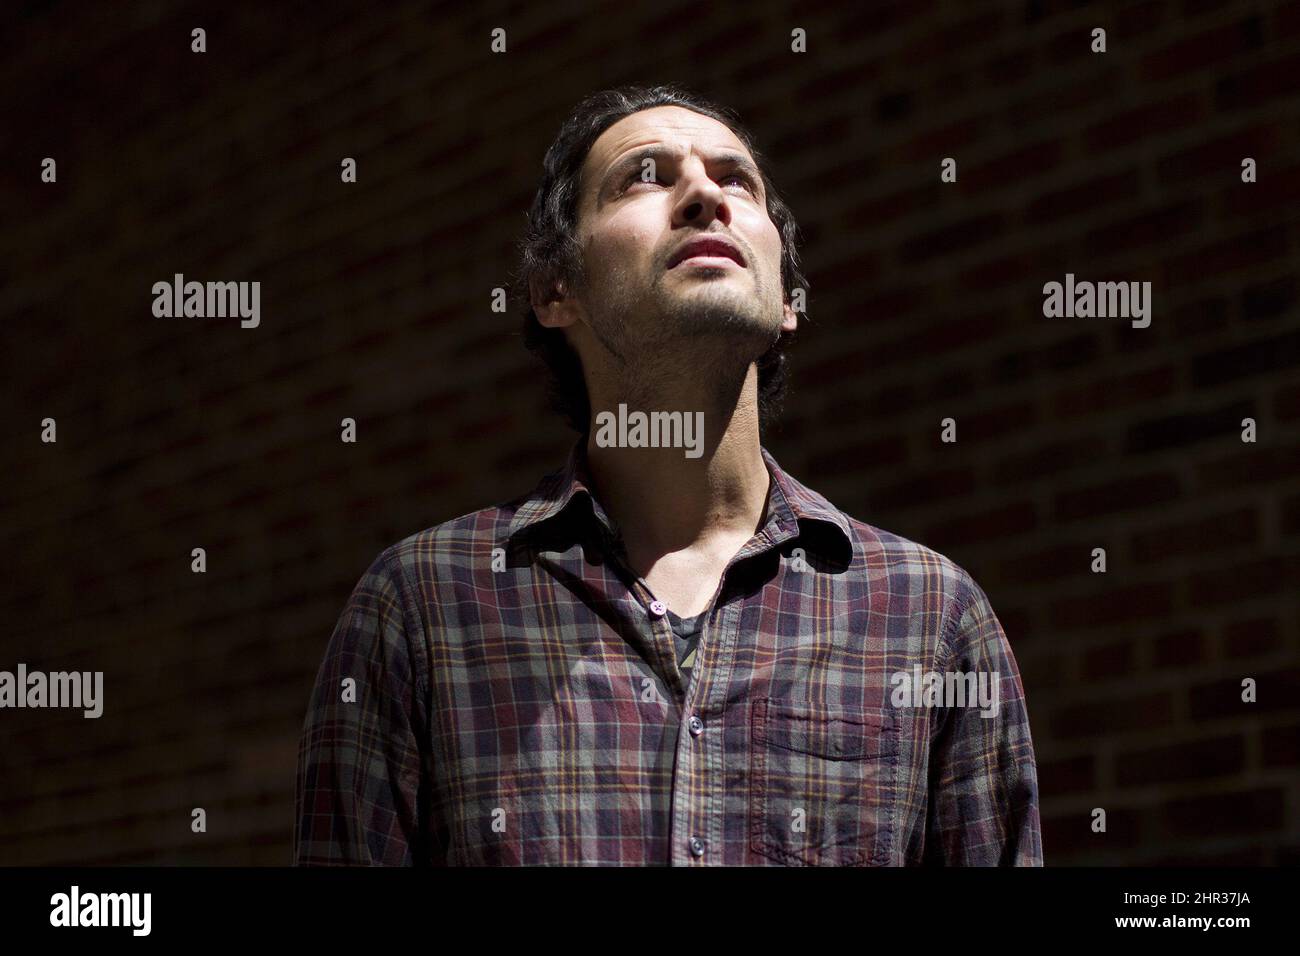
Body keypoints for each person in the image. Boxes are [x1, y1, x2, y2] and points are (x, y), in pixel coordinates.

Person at [294, 84, 1042, 866]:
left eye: (736, 179)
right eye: (645, 175)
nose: (704, 196)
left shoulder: (931, 617)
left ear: (787, 297)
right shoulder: (422, 611)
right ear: (557, 289)